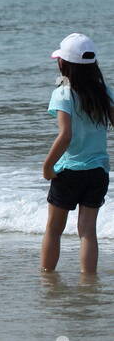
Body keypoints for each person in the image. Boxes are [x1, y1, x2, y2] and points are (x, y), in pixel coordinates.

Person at [41, 32, 114, 273]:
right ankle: (88, 282)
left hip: (69, 171)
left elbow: (66, 135)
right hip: (98, 171)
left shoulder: (63, 93)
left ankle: (47, 278)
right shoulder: (105, 93)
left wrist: (47, 166)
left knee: (53, 230)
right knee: (87, 232)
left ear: (62, 63)